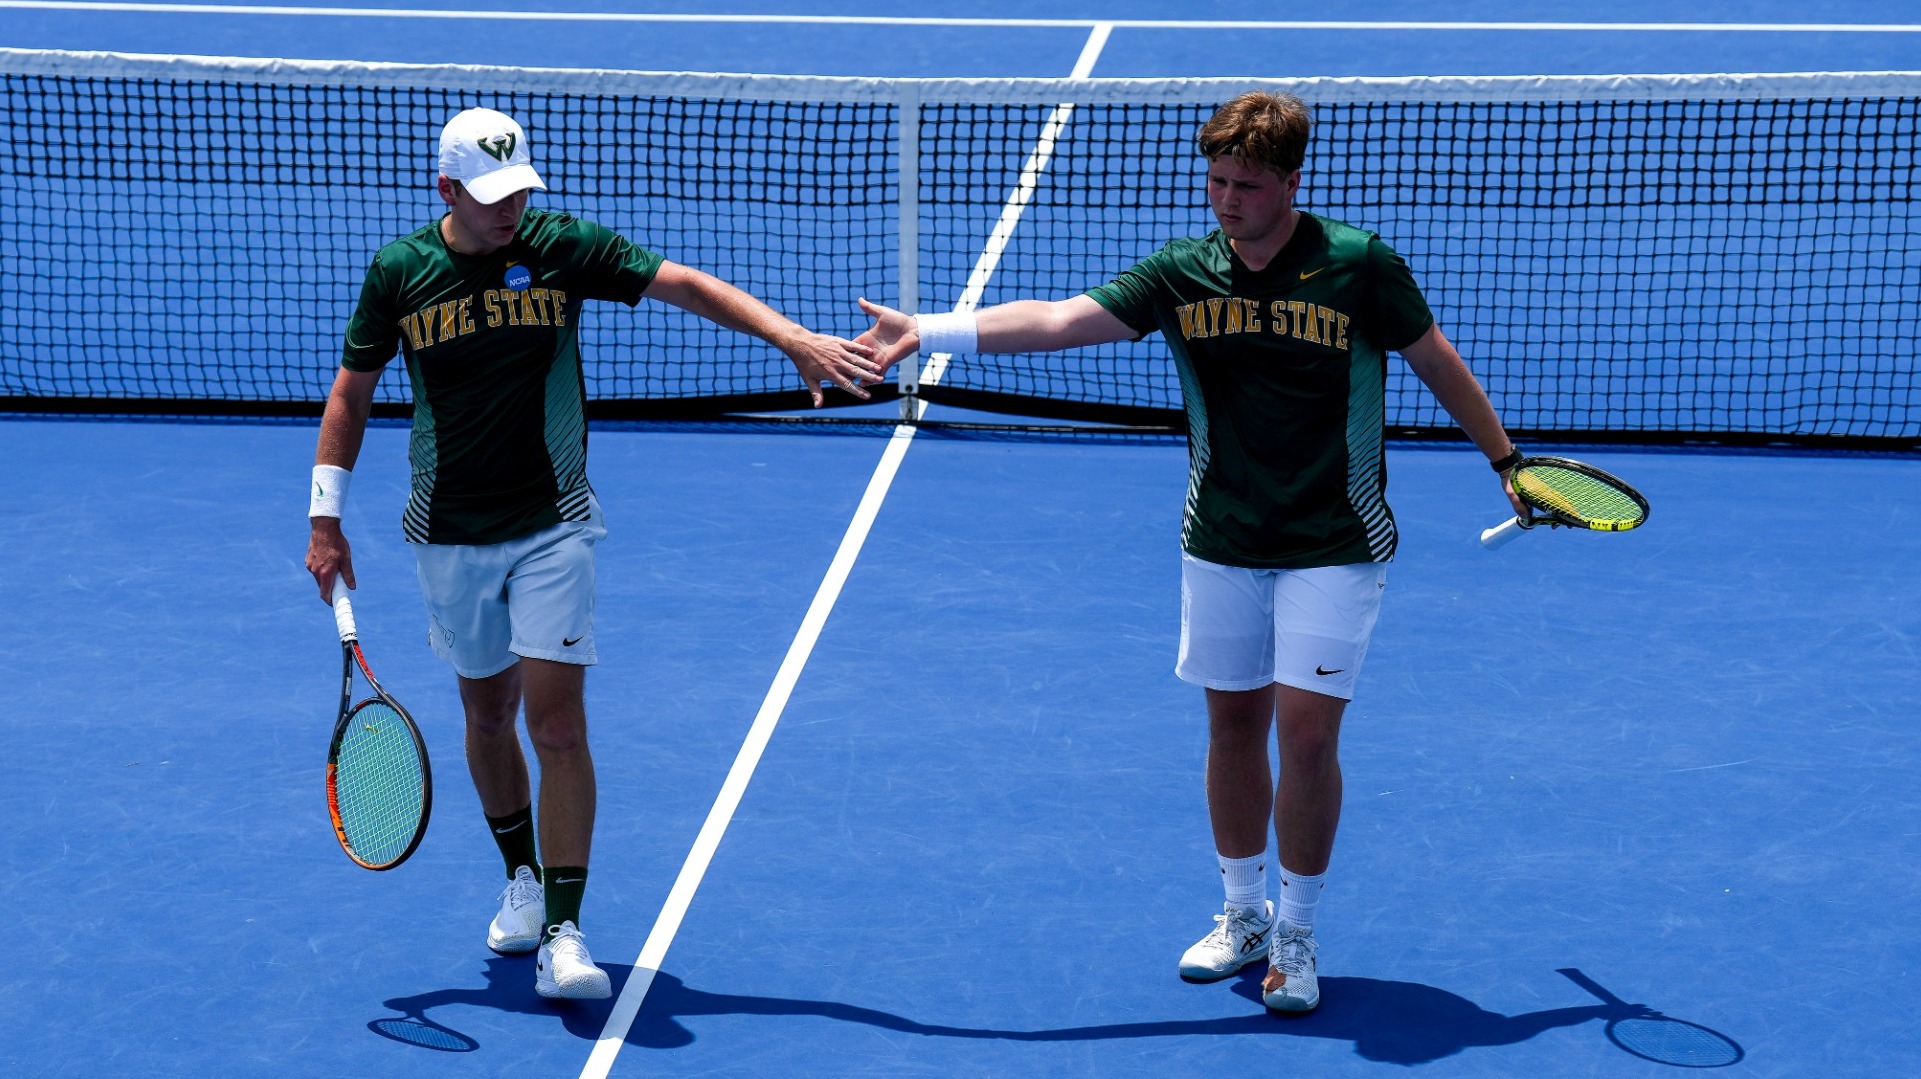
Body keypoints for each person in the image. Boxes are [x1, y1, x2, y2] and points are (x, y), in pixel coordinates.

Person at [856, 91, 1524, 1014]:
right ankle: (1242, 909)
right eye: (1214, 181)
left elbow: (1434, 358)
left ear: (1292, 181)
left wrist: (1507, 462)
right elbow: (1058, 320)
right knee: (1232, 727)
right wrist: (929, 330)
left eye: (1245, 185)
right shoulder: (1183, 273)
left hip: (1334, 541)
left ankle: (1296, 926)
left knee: (1307, 735)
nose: (1225, 200)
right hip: (1219, 538)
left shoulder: (1357, 266)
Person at [305, 107, 880, 1001]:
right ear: (446, 190)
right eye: (493, 196)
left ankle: (566, 931)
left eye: (521, 190)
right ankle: (522, 882)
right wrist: (324, 519)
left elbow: (682, 282)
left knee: (557, 723)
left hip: (553, 524)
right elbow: (352, 391)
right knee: (487, 715)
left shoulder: (562, 247)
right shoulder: (401, 272)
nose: (513, 209)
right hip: (449, 534)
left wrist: (792, 337)